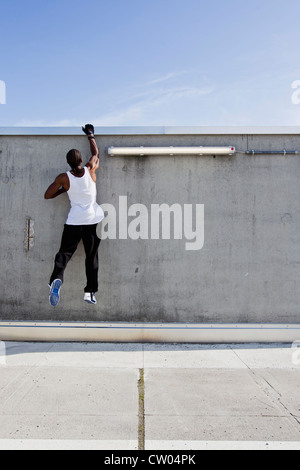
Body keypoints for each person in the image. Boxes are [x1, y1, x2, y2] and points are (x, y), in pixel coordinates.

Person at [44, 124, 104, 307]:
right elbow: (96, 153)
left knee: (64, 253)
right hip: (92, 220)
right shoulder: (90, 169)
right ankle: (89, 292)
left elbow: (47, 195)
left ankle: (57, 279)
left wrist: (63, 191)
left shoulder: (64, 177)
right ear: (80, 160)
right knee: (91, 256)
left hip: (74, 221)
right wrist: (90, 135)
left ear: (69, 163)